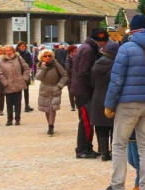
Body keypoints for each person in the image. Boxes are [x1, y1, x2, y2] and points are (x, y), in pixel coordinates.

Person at [98, 16, 145, 190]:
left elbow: (117, 79)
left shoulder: (126, 48)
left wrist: (110, 104)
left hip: (127, 104)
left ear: (132, 30)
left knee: (119, 144)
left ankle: (117, 188)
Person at [70, 30, 109, 159]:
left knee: (86, 120)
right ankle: (83, 149)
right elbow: (84, 72)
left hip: (82, 90)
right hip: (84, 92)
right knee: (86, 122)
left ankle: (86, 147)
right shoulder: (88, 50)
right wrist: (94, 85)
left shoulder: (86, 47)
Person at [88, 41, 119, 161]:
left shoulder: (96, 64)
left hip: (97, 97)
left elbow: (92, 82)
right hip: (111, 98)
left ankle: (104, 152)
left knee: (101, 128)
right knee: (113, 127)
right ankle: (114, 151)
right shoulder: (115, 66)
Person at [33, 46, 68, 135]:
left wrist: (59, 86)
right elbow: (38, 77)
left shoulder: (56, 64)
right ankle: (49, 123)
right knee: (46, 109)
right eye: (45, 56)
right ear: (41, 57)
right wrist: (43, 68)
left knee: (52, 108)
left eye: (49, 56)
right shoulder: (40, 65)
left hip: (55, 89)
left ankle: (51, 126)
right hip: (44, 89)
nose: (47, 57)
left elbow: (64, 75)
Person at [0, 45, 31, 126]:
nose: (9, 52)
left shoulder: (18, 58)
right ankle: (9, 119)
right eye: (7, 51)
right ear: (4, 52)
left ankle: (17, 119)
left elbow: (26, 68)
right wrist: (5, 82)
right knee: (9, 103)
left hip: (18, 83)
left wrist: (24, 78)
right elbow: (0, 73)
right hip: (8, 84)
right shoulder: (1, 61)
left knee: (18, 103)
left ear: (13, 51)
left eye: (10, 50)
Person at [16, 42, 35, 112]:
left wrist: (26, 68)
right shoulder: (16, 54)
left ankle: (27, 106)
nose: (23, 48)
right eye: (22, 46)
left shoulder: (27, 54)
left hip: (26, 74)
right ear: (18, 47)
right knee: (18, 92)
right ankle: (17, 106)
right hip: (18, 74)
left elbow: (31, 63)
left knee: (26, 91)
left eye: (24, 46)